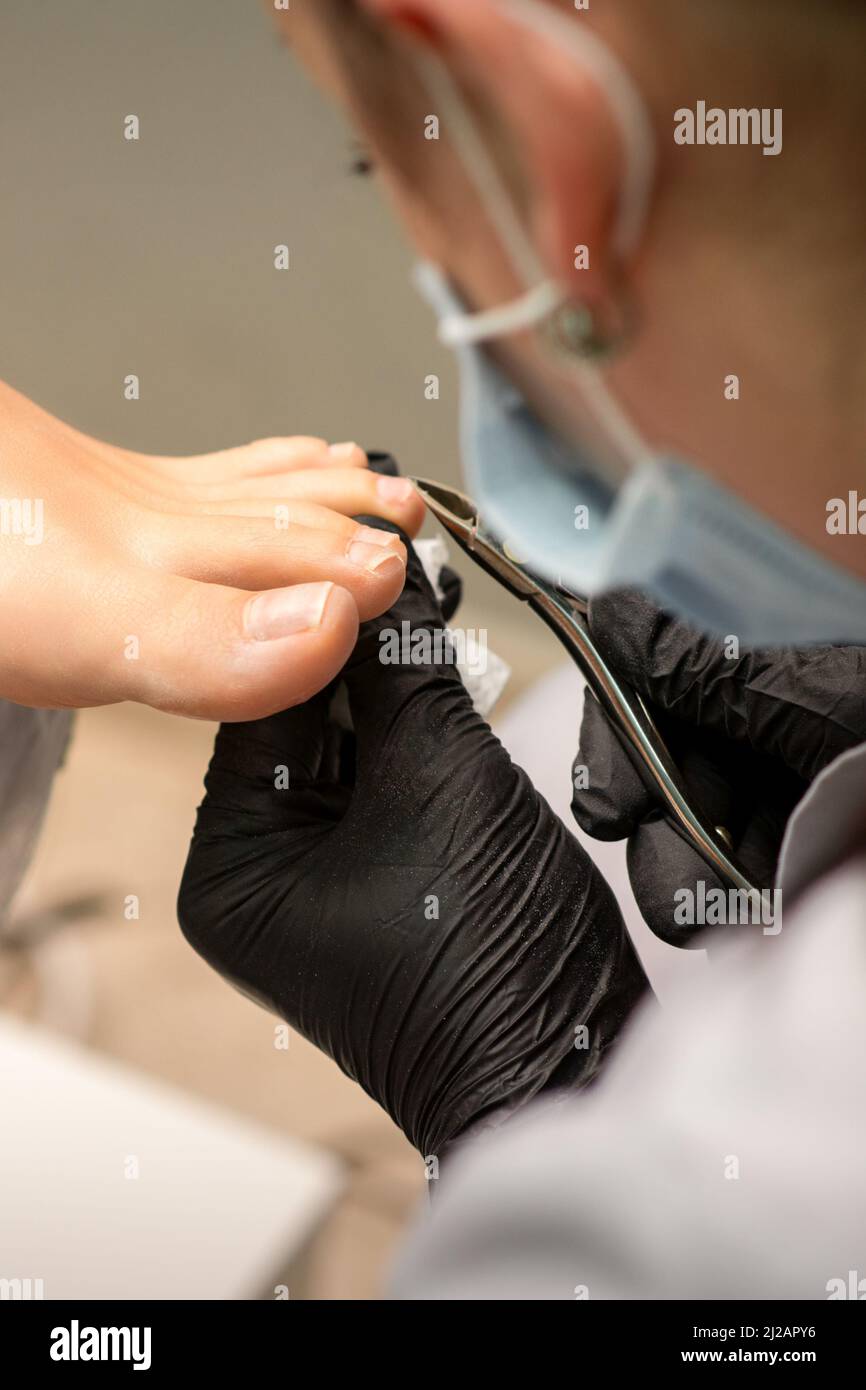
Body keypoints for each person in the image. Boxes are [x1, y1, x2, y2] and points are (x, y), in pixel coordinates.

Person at [178, 0, 866, 1297]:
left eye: (376, 163)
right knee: (559, 738)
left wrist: (539, 1095)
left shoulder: (719, 1232)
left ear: (567, 178)